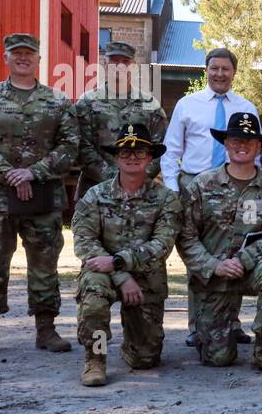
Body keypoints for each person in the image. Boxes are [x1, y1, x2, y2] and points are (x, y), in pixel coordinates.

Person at [0, 33, 79, 357]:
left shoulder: (57, 101)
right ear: (6, 58)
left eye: (29, 53)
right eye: (16, 53)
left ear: (39, 59)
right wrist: (9, 173)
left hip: (42, 198)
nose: (23, 58)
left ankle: (46, 330)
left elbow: (70, 146)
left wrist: (33, 172)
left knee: (44, 265)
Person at [176, 112, 262, 375]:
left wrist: (243, 259)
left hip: (253, 269)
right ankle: (215, 335)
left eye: (249, 141)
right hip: (214, 274)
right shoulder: (202, 185)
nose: (242, 145)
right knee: (218, 358)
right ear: (225, 143)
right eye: (236, 139)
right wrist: (214, 265)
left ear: (258, 146)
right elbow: (186, 235)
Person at [161, 47, 259, 346]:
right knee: (198, 255)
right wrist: (173, 189)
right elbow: (171, 150)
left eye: (225, 69)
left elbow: (256, 152)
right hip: (195, 186)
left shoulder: (246, 107)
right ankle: (196, 325)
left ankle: (232, 323)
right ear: (206, 71)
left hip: (237, 183)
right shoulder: (187, 105)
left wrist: (255, 186)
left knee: (236, 251)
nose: (219, 74)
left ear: (234, 72)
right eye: (214, 68)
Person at [72, 124, 182, 386]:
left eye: (140, 152)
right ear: (116, 157)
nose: (132, 157)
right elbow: (84, 242)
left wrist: (120, 261)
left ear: (150, 158)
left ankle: (132, 345)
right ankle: (95, 359)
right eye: (125, 152)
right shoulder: (95, 196)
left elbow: (162, 244)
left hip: (146, 276)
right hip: (104, 272)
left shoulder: (165, 198)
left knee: (145, 359)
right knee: (94, 296)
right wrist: (120, 273)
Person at [74, 40, 166, 204]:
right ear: (105, 64)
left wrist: (137, 177)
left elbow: (160, 147)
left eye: (125, 61)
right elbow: (81, 145)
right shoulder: (87, 102)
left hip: (139, 192)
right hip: (95, 191)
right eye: (114, 61)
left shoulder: (150, 105)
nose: (120, 66)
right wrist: (112, 177)